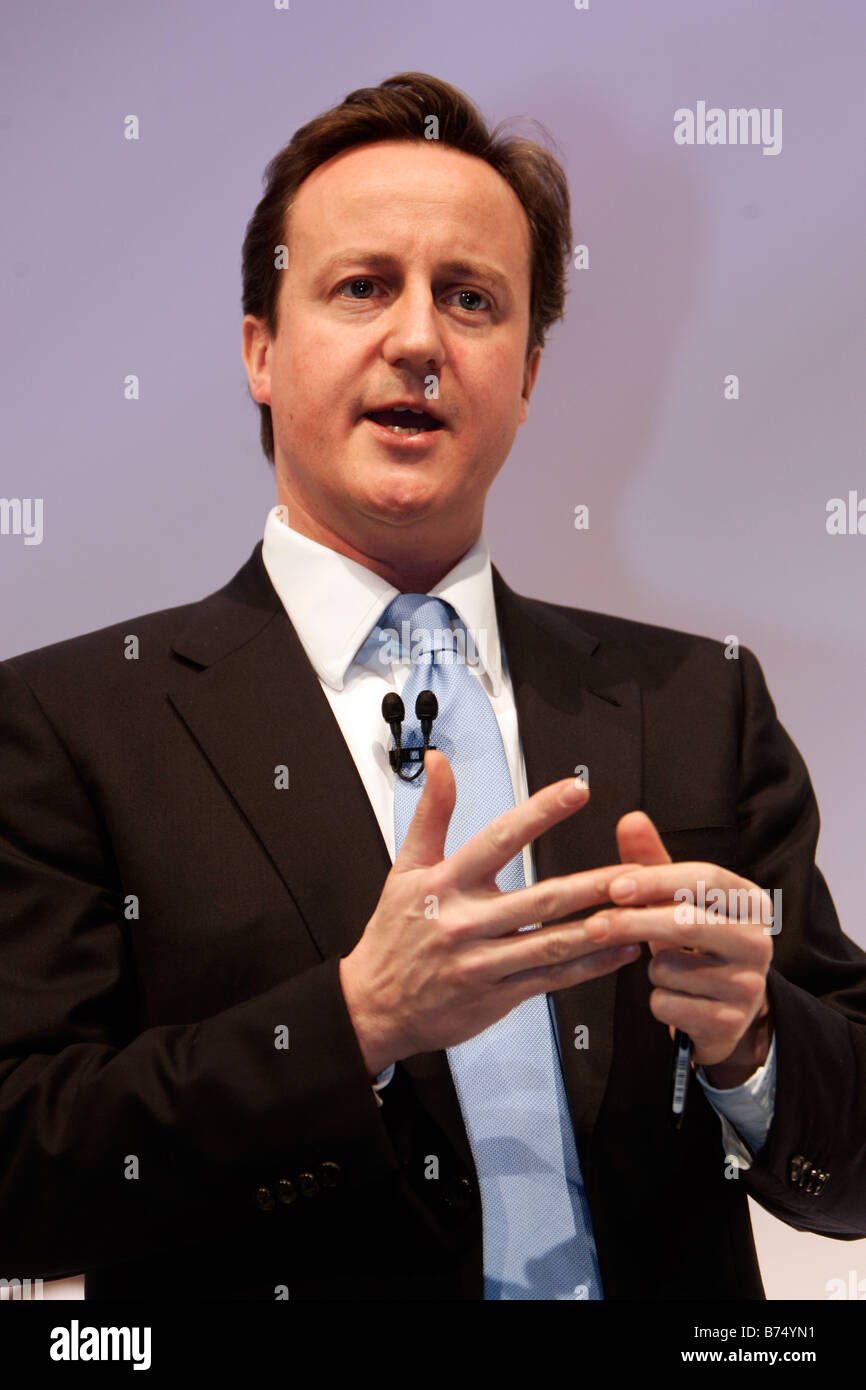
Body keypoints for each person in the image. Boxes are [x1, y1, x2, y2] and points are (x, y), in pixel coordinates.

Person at [1, 72, 864, 1302]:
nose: (417, 339)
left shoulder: (698, 701)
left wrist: (754, 1042)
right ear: (260, 349)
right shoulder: (67, 724)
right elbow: (21, 1174)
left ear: (522, 374)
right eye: (362, 287)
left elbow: (852, 1162)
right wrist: (349, 1021)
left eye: (470, 299)